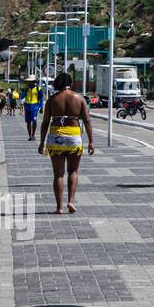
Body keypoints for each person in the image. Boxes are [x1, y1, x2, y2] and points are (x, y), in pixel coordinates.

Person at [37, 72, 94, 214]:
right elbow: (87, 120)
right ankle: (70, 201)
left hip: (56, 137)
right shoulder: (79, 98)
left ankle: (59, 207)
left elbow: (45, 123)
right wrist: (91, 141)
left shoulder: (52, 100)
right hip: (74, 137)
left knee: (58, 174)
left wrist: (41, 142)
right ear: (71, 83)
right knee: (73, 171)